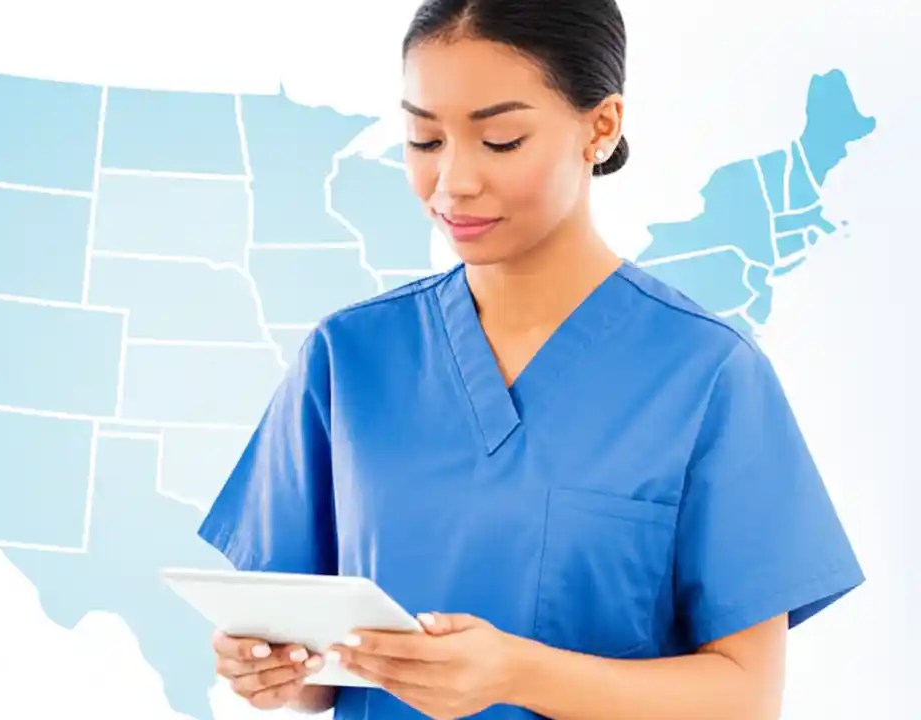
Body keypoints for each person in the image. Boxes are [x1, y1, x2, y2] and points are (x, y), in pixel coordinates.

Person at [196, 0, 865, 717]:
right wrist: (274, 674)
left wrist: (515, 673)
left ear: (600, 127)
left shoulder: (706, 375)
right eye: (424, 140)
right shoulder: (348, 359)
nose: (453, 182)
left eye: (502, 140)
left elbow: (745, 696)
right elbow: (317, 673)